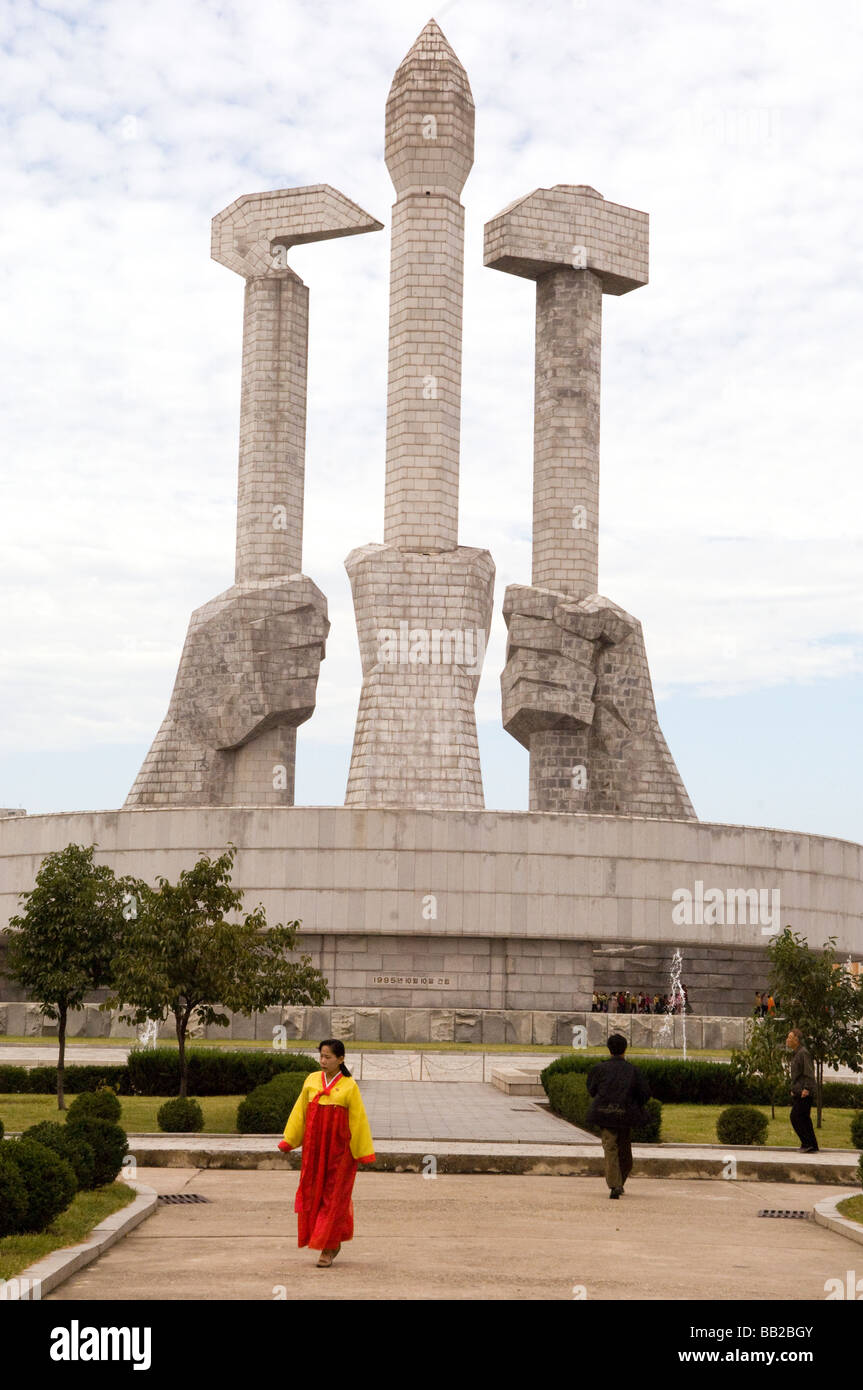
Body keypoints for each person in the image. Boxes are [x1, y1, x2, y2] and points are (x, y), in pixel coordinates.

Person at [278, 1038, 376, 1266]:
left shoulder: (349, 1086)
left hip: (340, 1154)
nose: (323, 1061)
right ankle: (324, 1239)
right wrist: (289, 1140)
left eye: (328, 1057)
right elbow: (299, 1113)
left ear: (340, 1059)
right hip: (314, 1152)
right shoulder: (312, 1081)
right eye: (321, 1056)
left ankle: (329, 1247)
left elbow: (358, 1121)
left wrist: (363, 1152)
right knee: (314, 1195)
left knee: (334, 1198)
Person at [586, 1033, 650, 1199]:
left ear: (609, 1049)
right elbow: (644, 1094)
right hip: (625, 1115)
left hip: (605, 1114)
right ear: (625, 1049)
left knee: (611, 1148)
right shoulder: (633, 1070)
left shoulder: (599, 1069)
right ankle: (616, 1184)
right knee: (623, 1151)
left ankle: (616, 1183)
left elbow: (592, 1090)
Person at [787, 1028, 819, 1153]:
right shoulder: (796, 1053)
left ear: (797, 1040)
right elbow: (797, 1074)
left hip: (804, 1093)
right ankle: (812, 1145)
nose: (787, 1040)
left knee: (795, 1117)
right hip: (798, 1091)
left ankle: (807, 1143)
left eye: (790, 1037)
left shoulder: (803, 1053)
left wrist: (806, 1088)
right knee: (805, 1118)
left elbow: (809, 1072)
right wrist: (793, 1088)